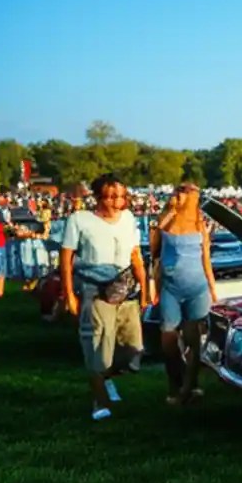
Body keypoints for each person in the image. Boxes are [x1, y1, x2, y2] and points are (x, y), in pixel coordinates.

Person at [60, 173, 148, 421]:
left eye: (120, 196)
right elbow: (66, 259)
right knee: (99, 347)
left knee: (134, 351)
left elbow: (135, 255)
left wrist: (146, 287)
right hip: (95, 289)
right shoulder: (80, 220)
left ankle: (107, 377)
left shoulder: (128, 218)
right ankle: (99, 401)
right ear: (98, 197)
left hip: (125, 289)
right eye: (110, 197)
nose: (116, 202)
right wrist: (69, 294)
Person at [151, 183, 217, 405]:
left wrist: (213, 289)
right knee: (168, 336)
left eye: (187, 193)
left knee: (193, 339)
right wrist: (171, 210)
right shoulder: (165, 220)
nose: (181, 195)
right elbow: (154, 250)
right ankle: (175, 383)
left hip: (197, 287)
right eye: (180, 191)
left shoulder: (200, 223)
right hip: (170, 286)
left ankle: (190, 386)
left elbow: (206, 259)